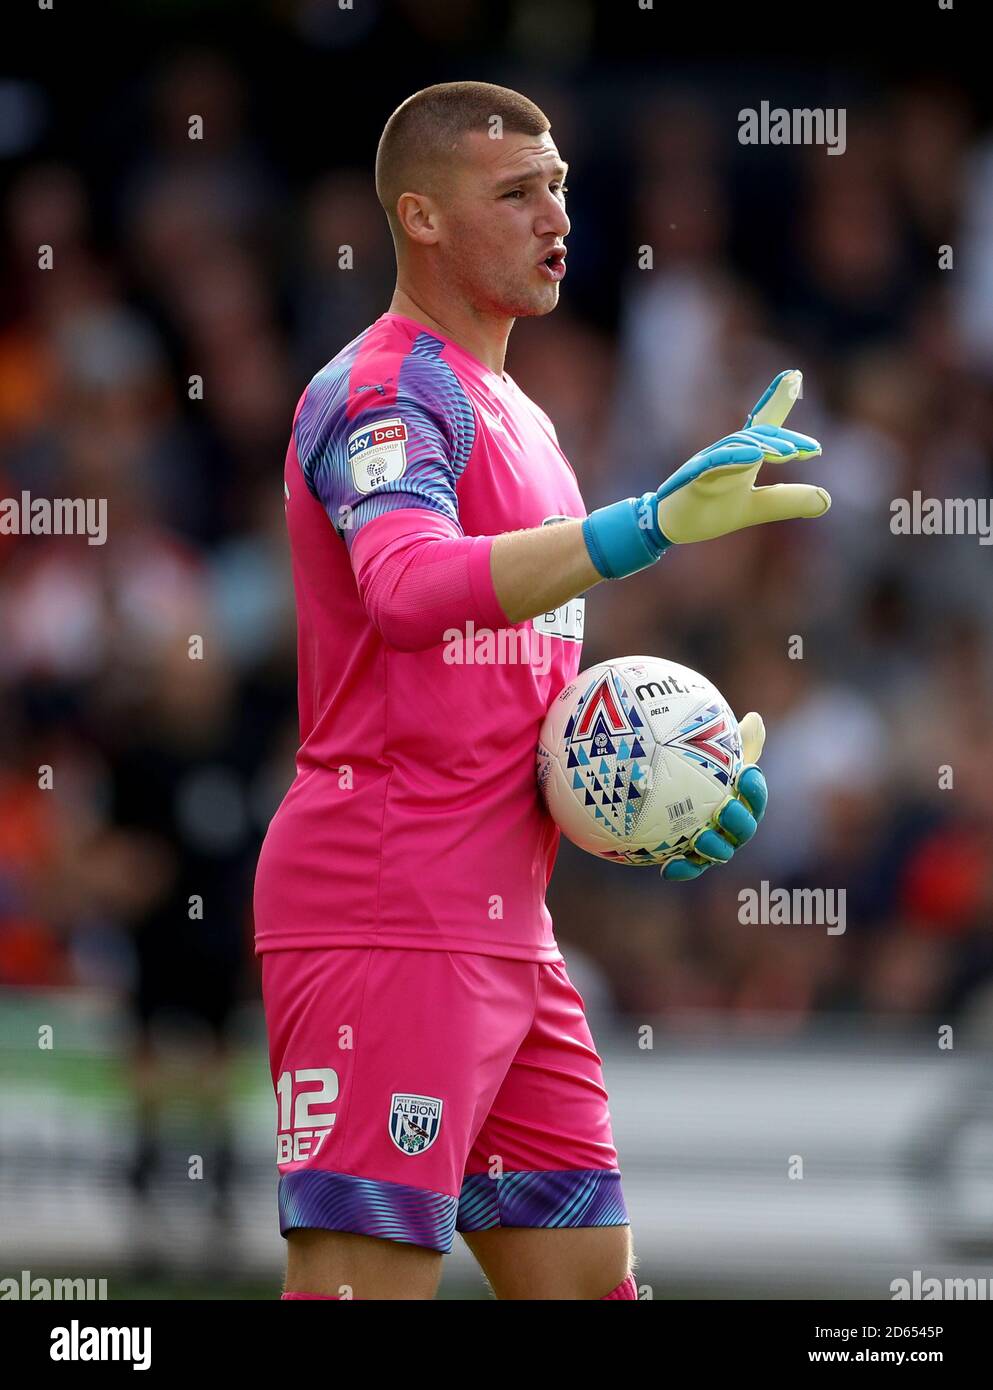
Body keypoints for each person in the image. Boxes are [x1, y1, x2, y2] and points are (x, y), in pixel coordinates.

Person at [253, 80, 830, 1301]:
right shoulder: (382, 392)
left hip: (508, 931)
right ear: (418, 216)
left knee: (587, 1292)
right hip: (384, 909)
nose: (555, 214)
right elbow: (408, 589)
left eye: (558, 185)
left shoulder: (522, 417)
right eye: (514, 194)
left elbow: (504, 725)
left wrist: (653, 796)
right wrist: (647, 527)